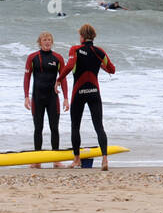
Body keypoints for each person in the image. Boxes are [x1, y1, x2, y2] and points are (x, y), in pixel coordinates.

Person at [59, 24, 117, 170]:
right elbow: (112, 69)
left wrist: (59, 79)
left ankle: (77, 159)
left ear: (82, 37)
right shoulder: (99, 51)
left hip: (79, 92)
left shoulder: (75, 49)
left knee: (75, 126)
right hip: (94, 92)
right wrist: (100, 65)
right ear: (93, 36)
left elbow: (70, 65)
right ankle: (104, 159)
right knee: (99, 126)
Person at [24, 32, 69, 162]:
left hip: (52, 98)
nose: (47, 42)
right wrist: (26, 96)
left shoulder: (57, 58)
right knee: (38, 128)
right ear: (40, 42)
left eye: (49, 40)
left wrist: (66, 98)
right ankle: (37, 160)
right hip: (37, 98)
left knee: (54, 128)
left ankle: (56, 160)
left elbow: (63, 79)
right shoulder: (32, 58)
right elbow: (27, 77)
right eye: (44, 40)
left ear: (52, 42)